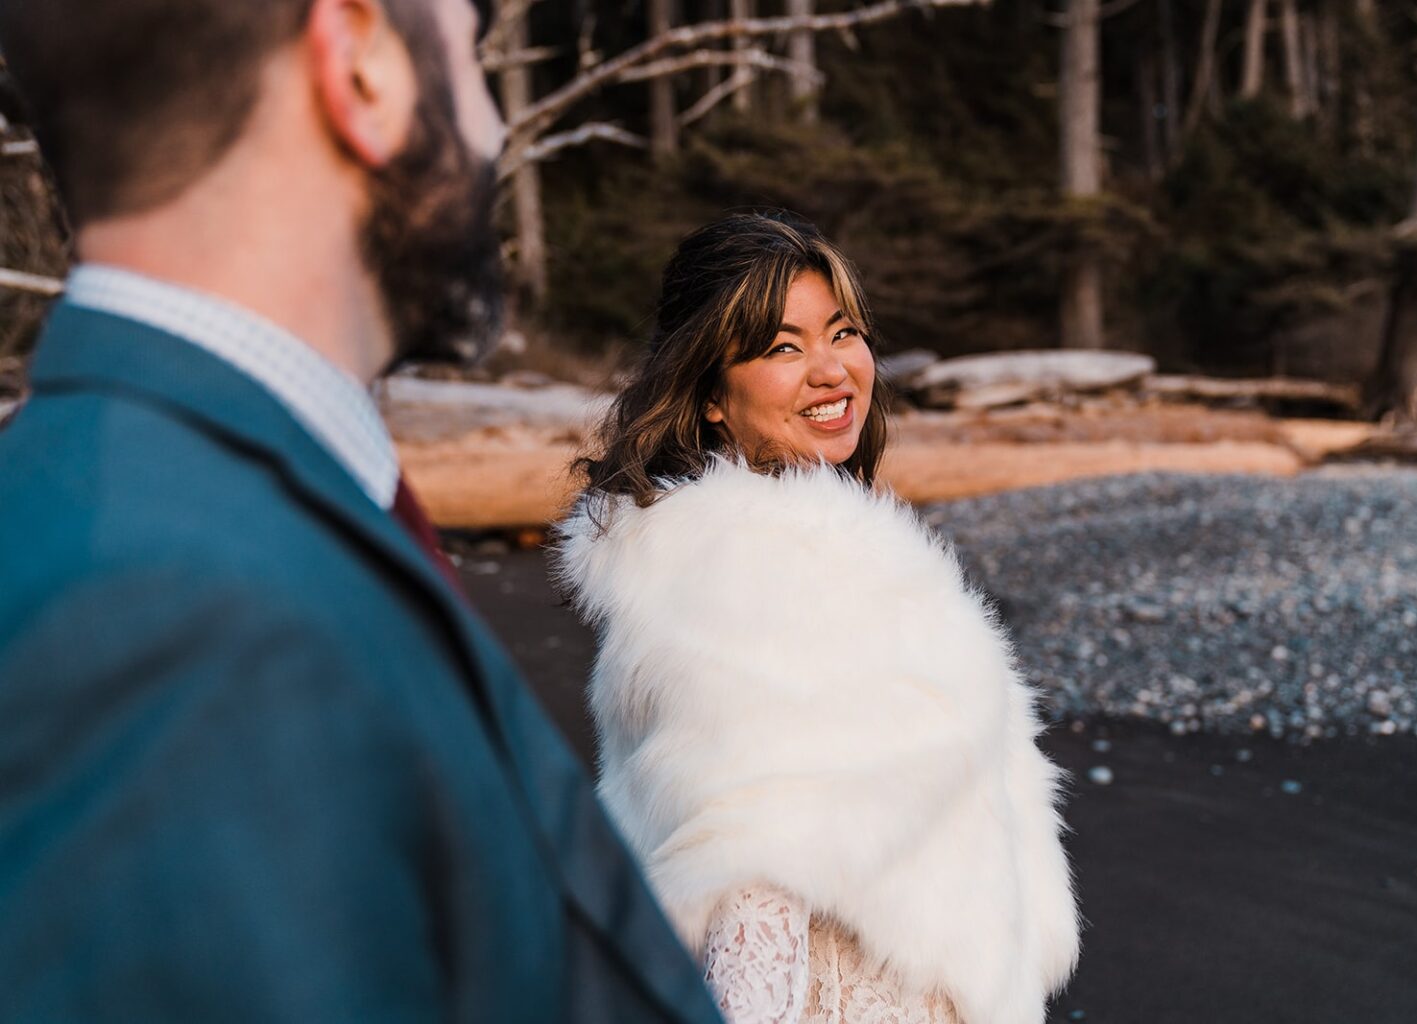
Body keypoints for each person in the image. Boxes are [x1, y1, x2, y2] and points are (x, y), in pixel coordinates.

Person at [0, 2, 723, 1021]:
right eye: (470, 57)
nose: (494, 130)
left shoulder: (153, 513)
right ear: (361, 68)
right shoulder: (175, 626)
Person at [554, 211, 1081, 1024]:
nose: (833, 371)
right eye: (783, 348)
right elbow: (745, 872)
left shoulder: (757, 556)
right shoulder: (761, 579)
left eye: (843, 332)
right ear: (710, 397)